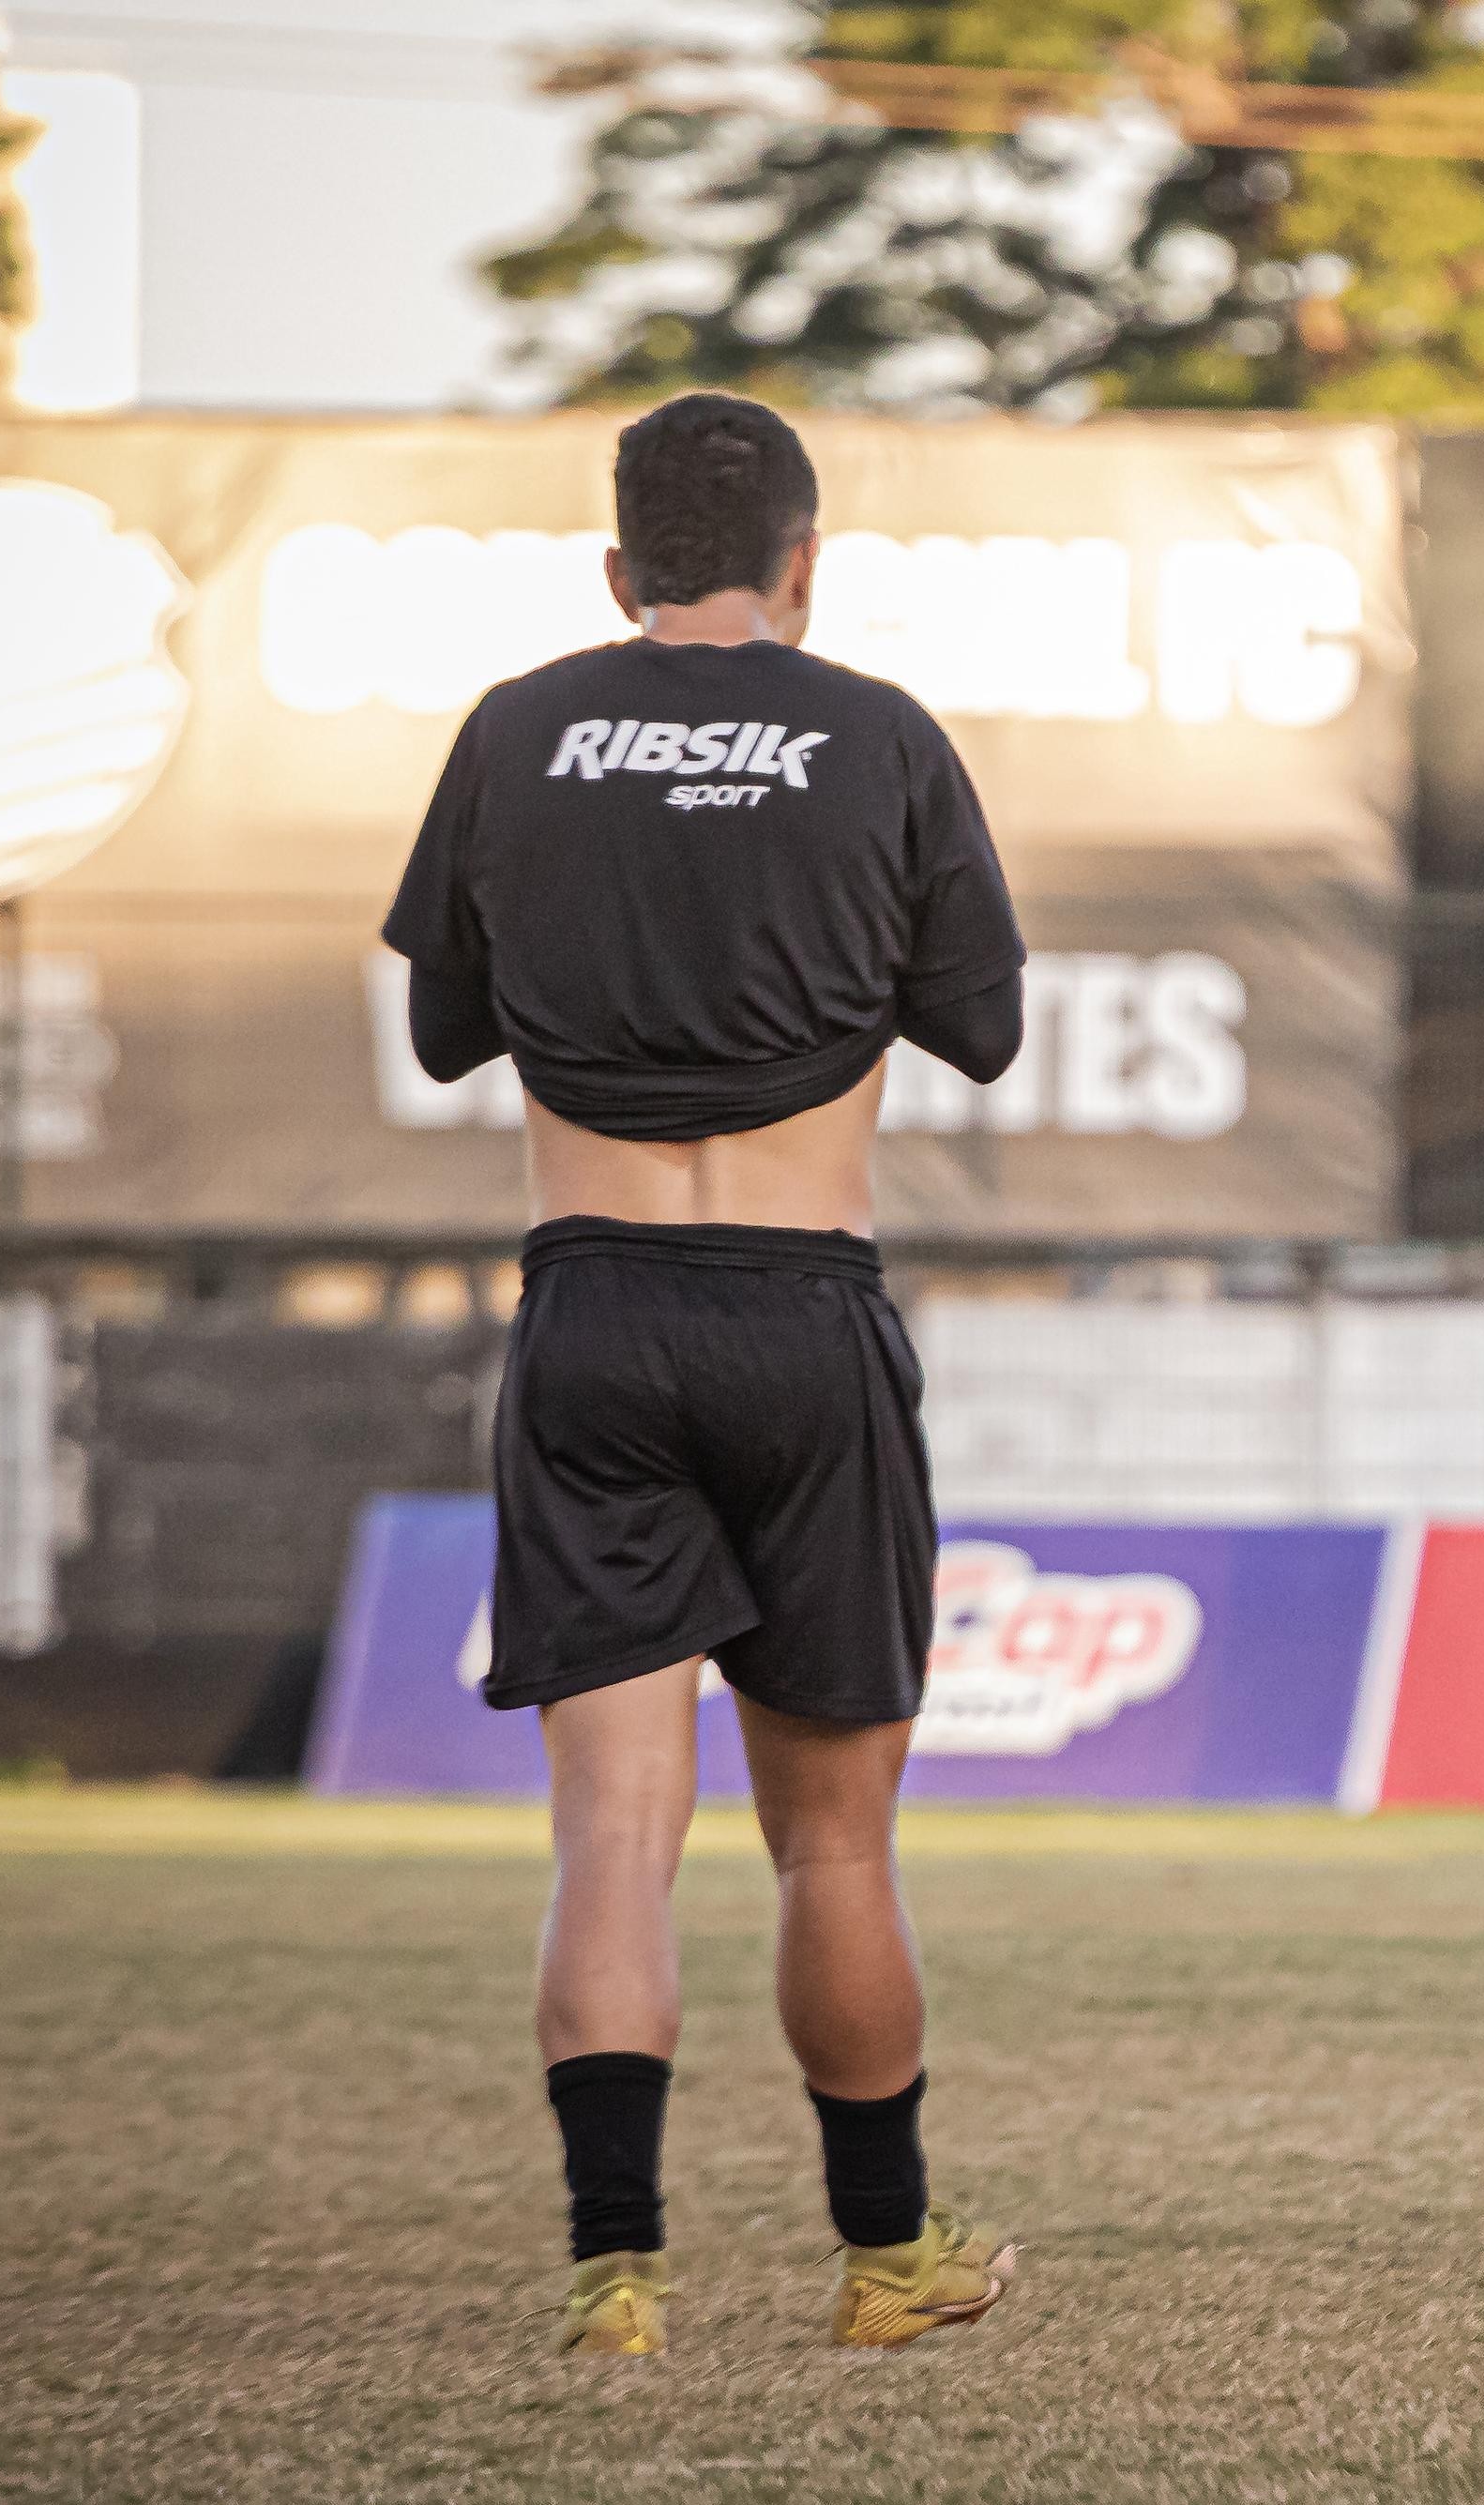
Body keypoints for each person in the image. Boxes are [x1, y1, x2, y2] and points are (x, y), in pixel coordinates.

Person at [384, 393, 1029, 2354]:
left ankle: (616, 2275)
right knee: (831, 1839)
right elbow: (983, 1032)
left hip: (591, 1311)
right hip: (805, 1311)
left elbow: (441, 1030)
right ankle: (885, 2259)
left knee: (609, 1838)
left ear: (614, 572)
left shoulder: (513, 730)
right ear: (806, 569)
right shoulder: (883, 736)